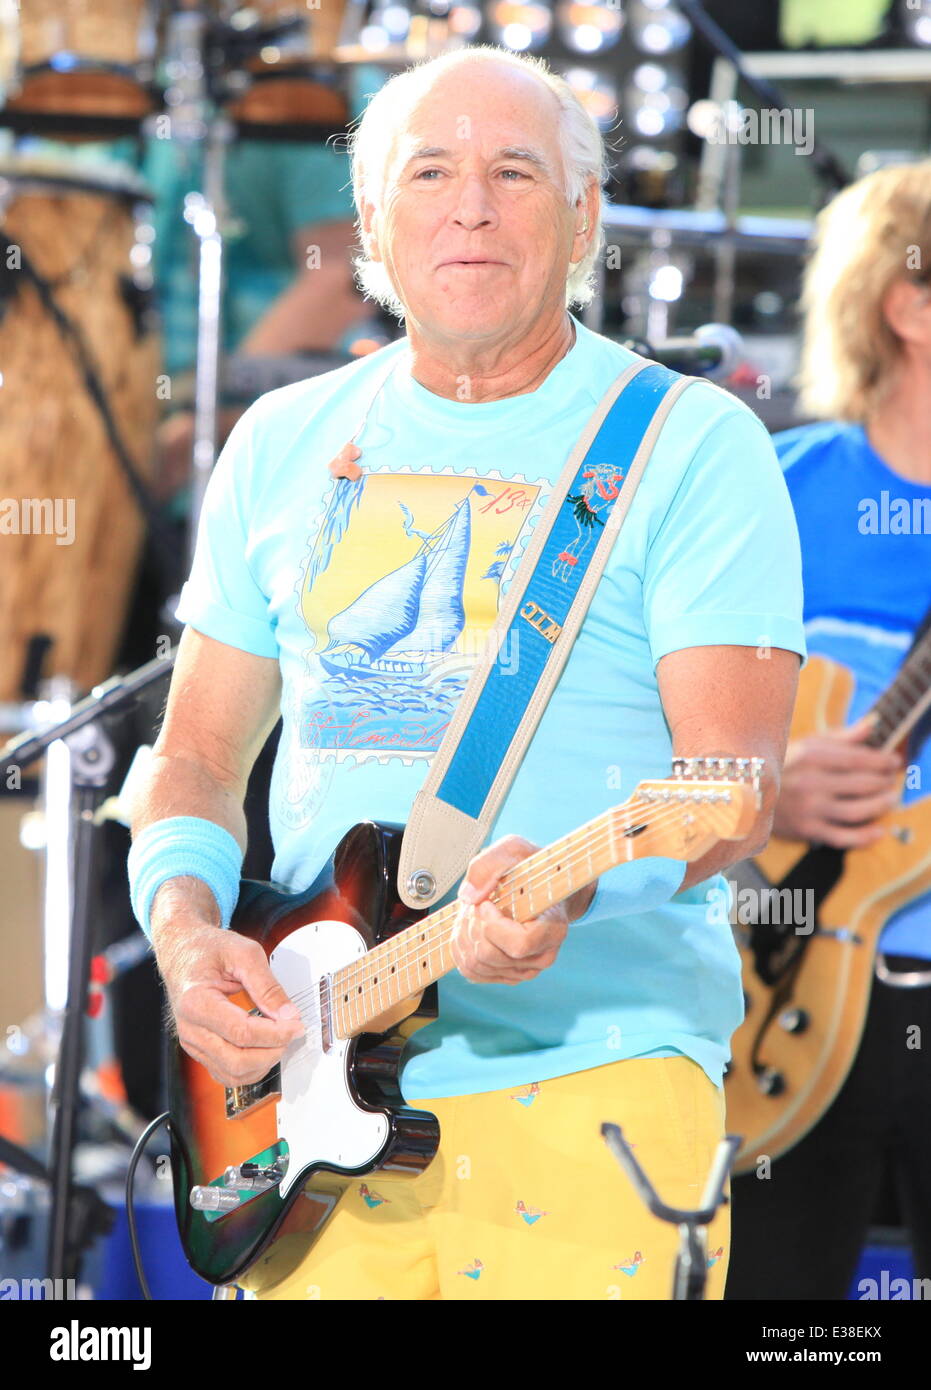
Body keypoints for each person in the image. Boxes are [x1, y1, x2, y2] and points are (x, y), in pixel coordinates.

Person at [129, 44, 806, 1301]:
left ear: (584, 215)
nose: (473, 204)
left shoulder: (692, 445)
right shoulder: (278, 441)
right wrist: (182, 941)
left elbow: (730, 784)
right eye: (429, 171)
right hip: (307, 1111)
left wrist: (572, 897)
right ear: (373, 222)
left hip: (595, 1075)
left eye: (515, 171)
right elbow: (196, 757)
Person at [726, 160, 931, 1301]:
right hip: (784, 992)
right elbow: (635, 728)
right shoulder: (773, 490)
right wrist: (762, 783)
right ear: (909, 305)